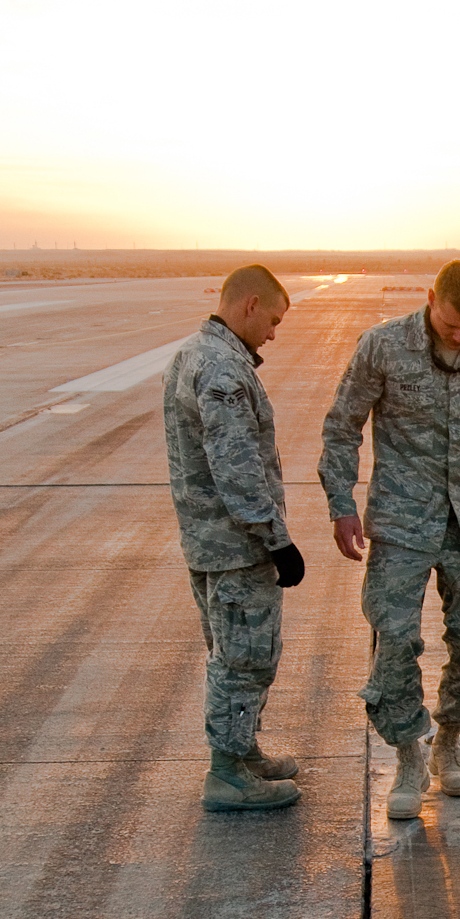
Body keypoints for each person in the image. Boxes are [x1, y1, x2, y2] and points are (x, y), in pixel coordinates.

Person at [320, 259, 460, 819]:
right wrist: (341, 506)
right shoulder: (383, 346)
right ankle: (409, 756)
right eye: (452, 324)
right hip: (400, 521)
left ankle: (447, 744)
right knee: (394, 641)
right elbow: (343, 425)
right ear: (430, 297)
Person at [163, 263, 308, 811]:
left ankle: (242, 752)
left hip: (209, 542)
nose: (273, 332)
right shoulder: (222, 369)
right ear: (249, 305)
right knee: (245, 658)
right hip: (236, 546)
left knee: (234, 652)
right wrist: (275, 538)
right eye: (272, 320)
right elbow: (236, 465)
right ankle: (227, 773)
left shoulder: (192, 353)